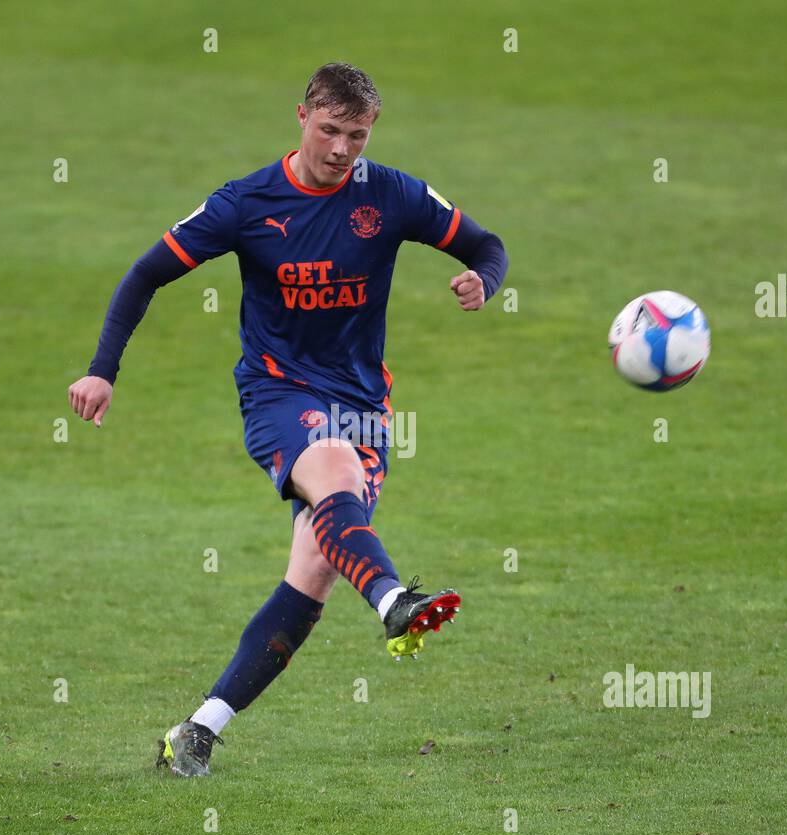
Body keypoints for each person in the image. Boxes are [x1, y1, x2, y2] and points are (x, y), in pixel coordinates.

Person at [67, 63, 508, 776]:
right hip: (279, 394)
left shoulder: (391, 194)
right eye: (330, 130)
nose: (341, 149)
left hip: (364, 404)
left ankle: (197, 731)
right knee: (332, 471)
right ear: (302, 116)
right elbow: (146, 273)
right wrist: (102, 369)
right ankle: (395, 600)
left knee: (316, 571)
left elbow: (488, 245)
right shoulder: (246, 203)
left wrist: (481, 281)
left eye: (356, 136)